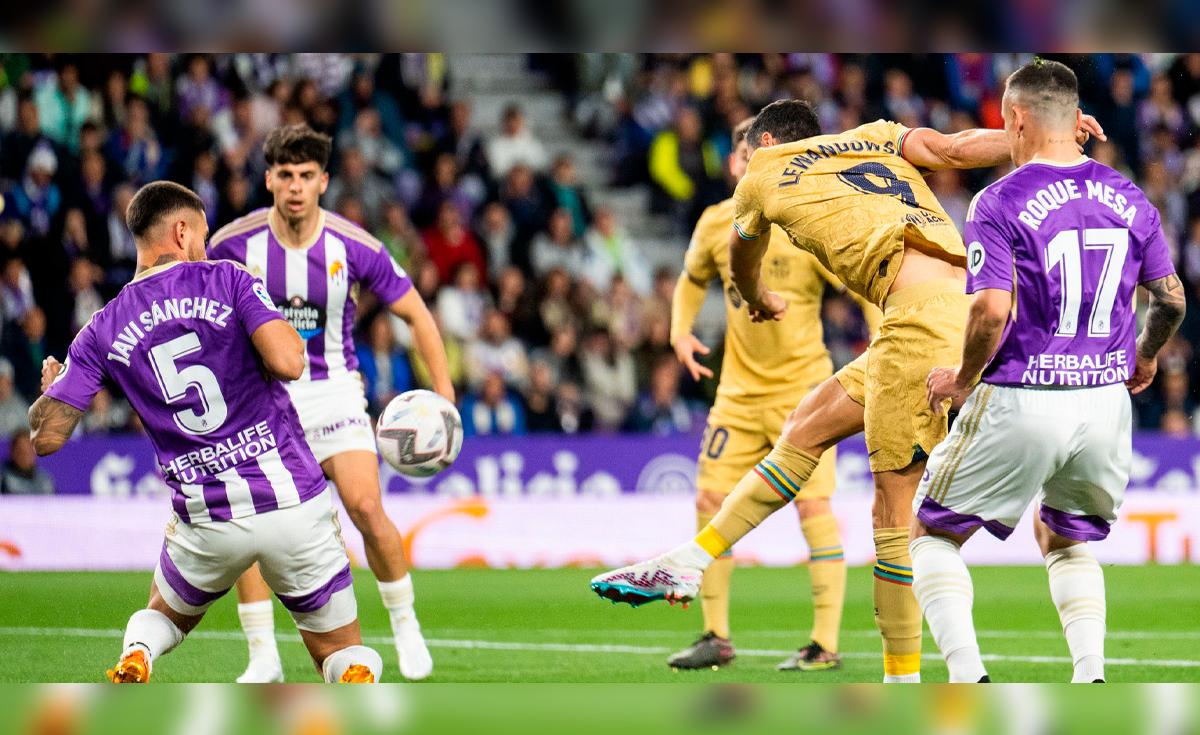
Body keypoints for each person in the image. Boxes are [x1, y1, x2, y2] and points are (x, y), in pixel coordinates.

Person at [592, 97, 1105, 683]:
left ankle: (902, 680)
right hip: (960, 303)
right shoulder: (874, 135)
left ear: (762, 144)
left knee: (894, 510)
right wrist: (1039, 140)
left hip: (916, 326)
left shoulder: (761, 173)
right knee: (807, 427)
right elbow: (953, 148)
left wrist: (756, 300)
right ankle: (693, 558)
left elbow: (740, 256)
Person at [28, 181, 382, 683]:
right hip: (291, 500)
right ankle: (352, 676)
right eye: (202, 233)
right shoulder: (228, 279)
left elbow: (46, 437)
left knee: (162, 613)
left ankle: (139, 653)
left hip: (206, 517)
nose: (206, 246)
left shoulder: (101, 328)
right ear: (180, 230)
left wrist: (50, 391)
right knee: (338, 648)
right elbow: (288, 362)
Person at [911, 59, 1184, 684]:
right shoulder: (1130, 195)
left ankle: (966, 678)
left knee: (931, 534)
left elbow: (989, 308)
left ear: (1015, 118)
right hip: (1105, 402)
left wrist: (961, 377)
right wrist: (1144, 357)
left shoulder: (999, 199)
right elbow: (1171, 300)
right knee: (1066, 539)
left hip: (1024, 395)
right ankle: (1090, 675)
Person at [208, 125, 454, 683]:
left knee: (365, 506)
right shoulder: (232, 245)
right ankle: (262, 654)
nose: (296, 187)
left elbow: (416, 313)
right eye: (286, 175)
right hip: (262, 399)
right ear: (269, 179)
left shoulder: (356, 246)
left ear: (324, 182)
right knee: (252, 524)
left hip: (335, 390)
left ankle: (405, 625)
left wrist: (445, 392)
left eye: (306, 176)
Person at [661, 118, 880, 672]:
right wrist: (679, 331)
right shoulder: (716, 223)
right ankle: (715, 635)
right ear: (735, 165)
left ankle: (824, 643)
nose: (743, 166)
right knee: (709, 503)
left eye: (749, 155)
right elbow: (690, 280)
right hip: (736, 393)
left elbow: (864, 285)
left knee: (813, 506)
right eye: (736, 158)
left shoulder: (811, 220)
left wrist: (883, 344)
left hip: (804, 391)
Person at [1, 430, 54, 495]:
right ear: (13, 452)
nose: (25, 456)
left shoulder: (44, 480)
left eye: (29, 451)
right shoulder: (3, 478)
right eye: (21, 451)